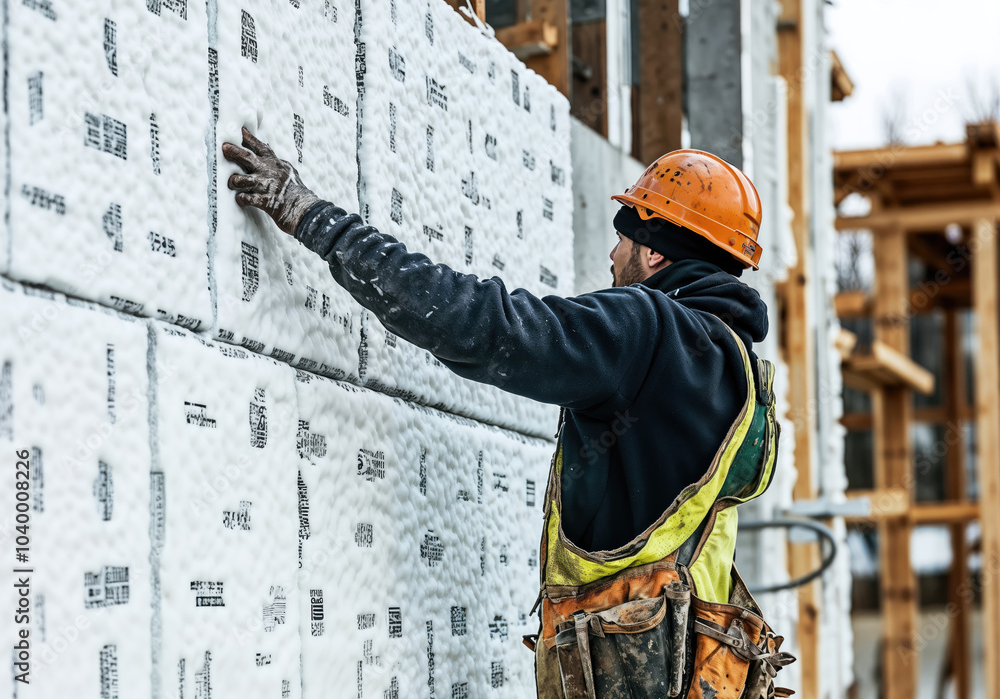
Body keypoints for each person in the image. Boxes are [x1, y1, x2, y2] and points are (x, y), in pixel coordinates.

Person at [223, 129, 793, 699]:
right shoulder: (742, 373)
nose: (611, 257)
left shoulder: (647, 332)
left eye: (623, 240)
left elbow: (483, 324)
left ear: (656, 251)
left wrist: (314, 218)